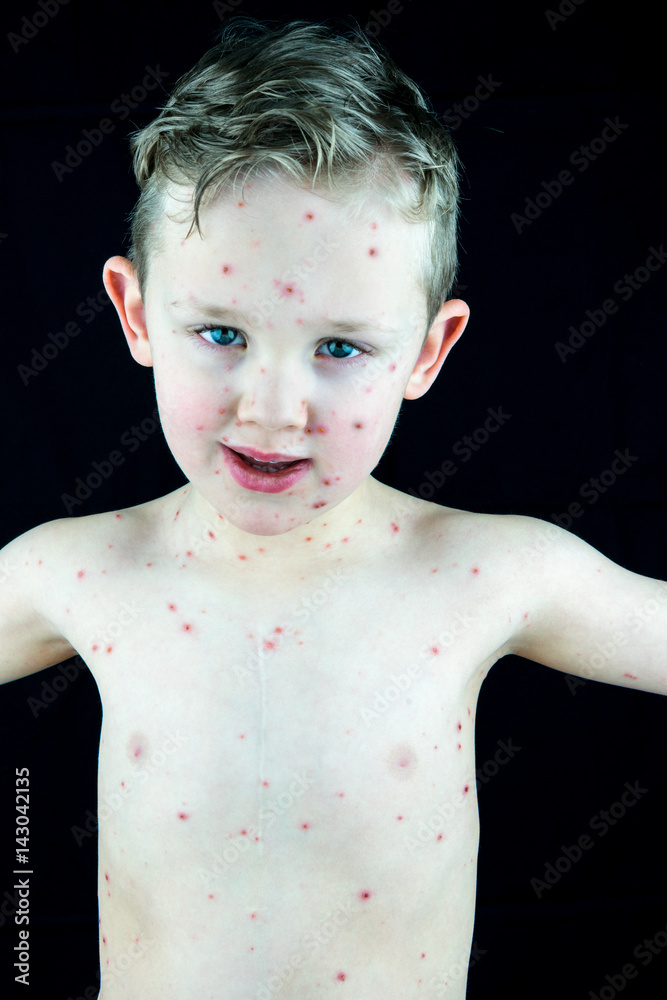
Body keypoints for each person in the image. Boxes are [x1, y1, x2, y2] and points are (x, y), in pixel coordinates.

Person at [1, 16, 665, 1000]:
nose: (273, 410)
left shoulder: (496, 575)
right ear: (136, 313)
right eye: (221, 330)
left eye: (339, 348)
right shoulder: (78, 573)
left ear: (426, 353)